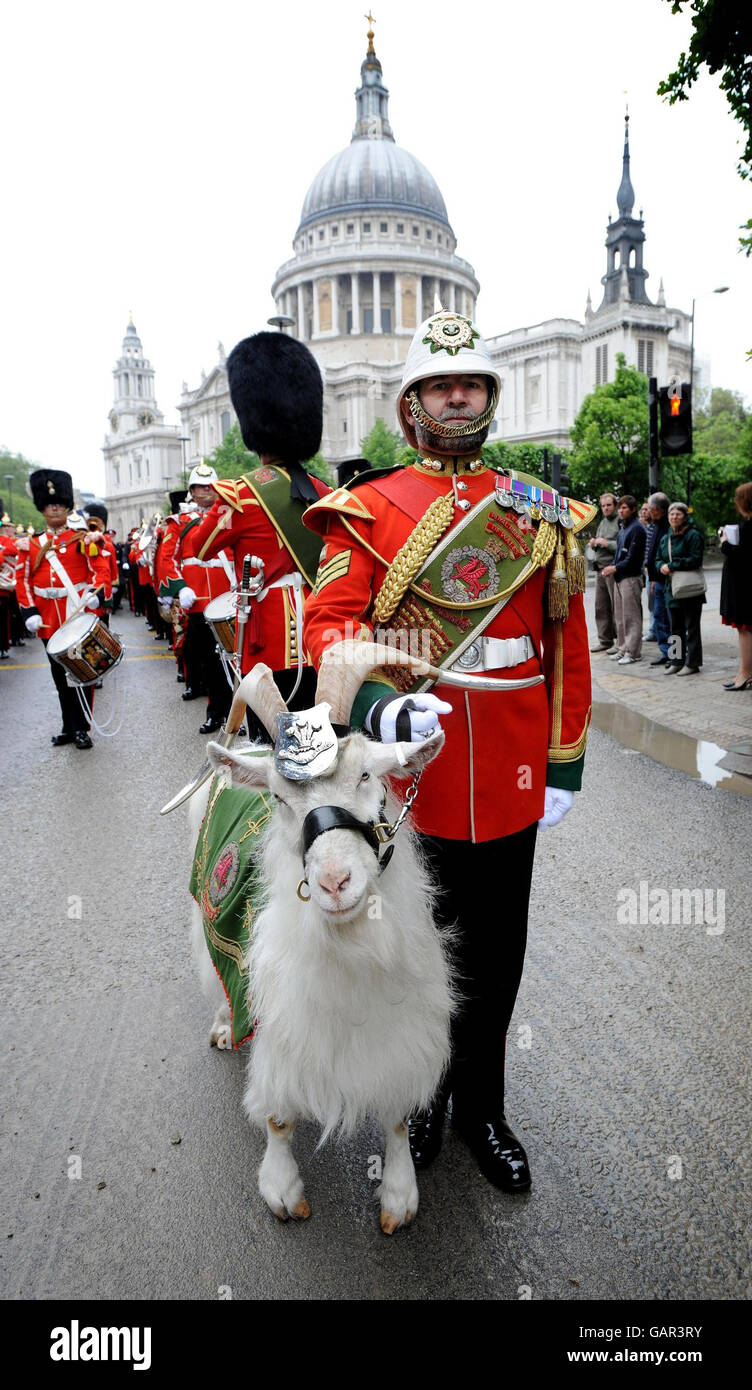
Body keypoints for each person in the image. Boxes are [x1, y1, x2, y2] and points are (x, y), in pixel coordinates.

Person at [302, 307, 596, 1193]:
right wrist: (387, 712)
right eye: (440, 382)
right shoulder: (370, 509)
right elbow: (331, 628)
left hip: (509, 772)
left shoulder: (538, 513)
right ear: (411, 402)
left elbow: (566, 645)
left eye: (470, 381)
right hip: (412, 775)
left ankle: (485, 1110)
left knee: (499, 953)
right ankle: (419, 1102)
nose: (456, 394)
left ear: (489, 395)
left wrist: (563, 764)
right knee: (417, 954)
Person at [191, 332, 332, 737]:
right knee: (315, 736)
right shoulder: (325, 492)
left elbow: (198, 546)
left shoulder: (242, 496)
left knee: (269, 741)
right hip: (320, 631)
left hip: (268, 638)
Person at [16, 469, 110, 748]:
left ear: (67, 507)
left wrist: (94, 595)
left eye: (58, 504)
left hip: (76, 616)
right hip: (47, 619)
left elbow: (100, 570)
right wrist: (29, 612)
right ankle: (68, 727)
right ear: (42, 509)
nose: (54, 508)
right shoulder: (32, 544)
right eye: (49, 505)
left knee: (80, 674)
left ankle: (82, 727)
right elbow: (23, 581)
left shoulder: (83, 539)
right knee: (59, 678)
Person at [157, 464, 234, 733]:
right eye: (199, 487)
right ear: (191, 491)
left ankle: (234, 714)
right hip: (198, 603)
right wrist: (180, 587)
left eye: (210, 486)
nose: (205, 491)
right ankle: (215, 712)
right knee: (210, 662)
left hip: (228, 600)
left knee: (233, 660)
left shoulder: (229, 515)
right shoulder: (179, 522)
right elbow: (167, 558)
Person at [656, 501, 705, 676]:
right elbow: (657, 559)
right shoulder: (665, 538)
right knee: (674, 628)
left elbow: (696, 559)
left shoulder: (693, 535)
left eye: (678, 514)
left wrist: (672, 565)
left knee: (691, 627)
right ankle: (676, 661)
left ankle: (692, 663)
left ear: (685, 516)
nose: (674, 517)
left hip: (690, 589)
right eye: (671, 514)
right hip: (672, 590)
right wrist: (661, 565)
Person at [601, 495, 646, 664]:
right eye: (619, 507)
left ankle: (633, 652)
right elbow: (619, 554)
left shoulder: (637, 529)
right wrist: (610, 567)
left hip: (631, 577)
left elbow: (633, 558)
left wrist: (615, 567)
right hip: (619, 577)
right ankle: (623, 648)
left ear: (633, 509)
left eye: (625, 508)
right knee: (619, 616)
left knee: (631, 617)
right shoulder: (623, 528)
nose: (621, 510)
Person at [719, 481, 752, 691]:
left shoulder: (749, 526)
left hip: (744, 588)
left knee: (745, 630)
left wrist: (725, 543)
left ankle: (745, 674)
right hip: (744, 585)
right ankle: (744, 672)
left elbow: (743, 556)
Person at [588, 492, 620, 652]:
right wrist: (594, 543)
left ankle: (620, 641)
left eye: (609, 505)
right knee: (601, 607)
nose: (606, 508)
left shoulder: (619, 521)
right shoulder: (602, 522)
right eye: (603, 506)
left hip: (612, 568)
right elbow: (598, 542)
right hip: (599, 568)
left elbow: (622, 545)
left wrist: (607, 543)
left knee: (617, 607)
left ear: (615, 505)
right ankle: (605, 640)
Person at [644, 492, 671, 665]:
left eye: (649, 508)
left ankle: (675, 656)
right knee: (660, 618)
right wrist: (653, 578)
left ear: (655, 509)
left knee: (672, 621)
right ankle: (666, 653)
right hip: (657, 580)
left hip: (668, 581)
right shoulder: (654, 526)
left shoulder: (668, 526)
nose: (647, 511)